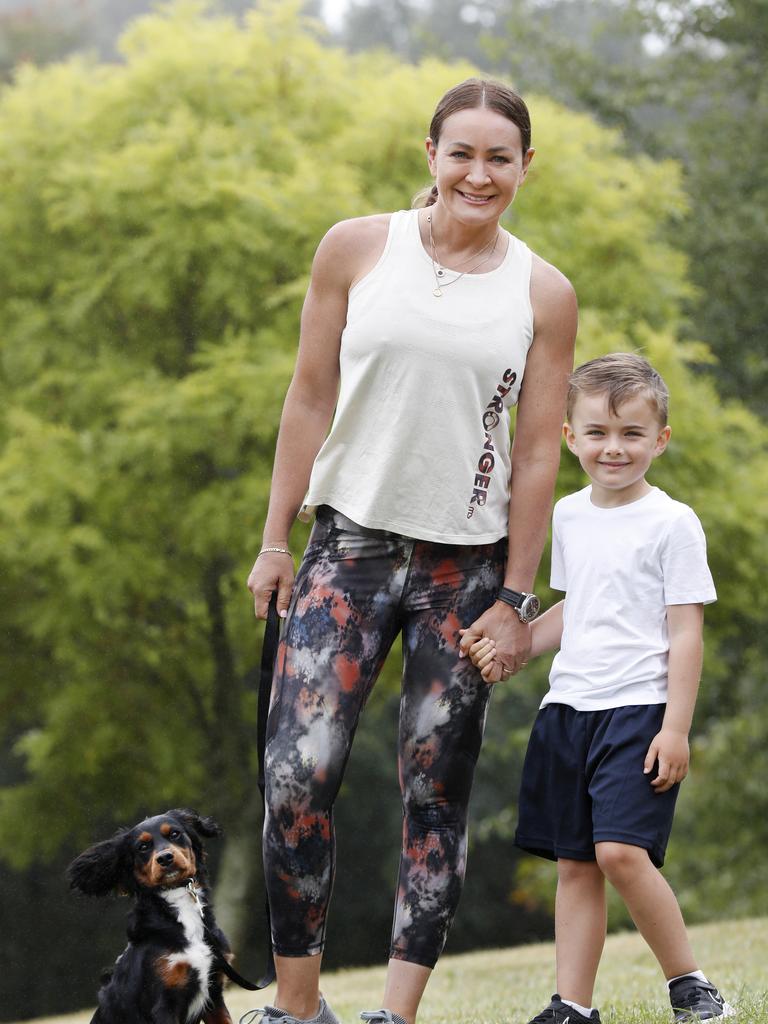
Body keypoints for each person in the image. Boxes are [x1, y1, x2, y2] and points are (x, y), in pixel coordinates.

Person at [245, 78, 577, 1024]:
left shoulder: (544, 292)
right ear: (427, 154)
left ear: (523, 168)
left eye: (499, 158)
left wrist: (515, 598)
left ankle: (396, 1014)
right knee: (297, 775)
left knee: (435, 789)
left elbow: (539, 452)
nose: (480, 173)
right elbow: (308, 396)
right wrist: (276, 540)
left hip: (463, 575)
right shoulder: (355, 248)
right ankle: (298, 1007)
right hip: (343, 549)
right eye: (461, 152)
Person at [466, 353, 733, 1024]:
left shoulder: (674, 523)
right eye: (597, 433)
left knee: (620, 852)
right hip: (567, 711)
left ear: (661, 439)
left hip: (639, 710)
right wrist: (519, 643)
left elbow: (687, 632)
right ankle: (573, 1006)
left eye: (632, 434)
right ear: (569, 436)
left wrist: (676, 726)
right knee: (575, 863)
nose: (613, 448)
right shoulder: (568, 516)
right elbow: (579, 604)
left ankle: (691, 986)